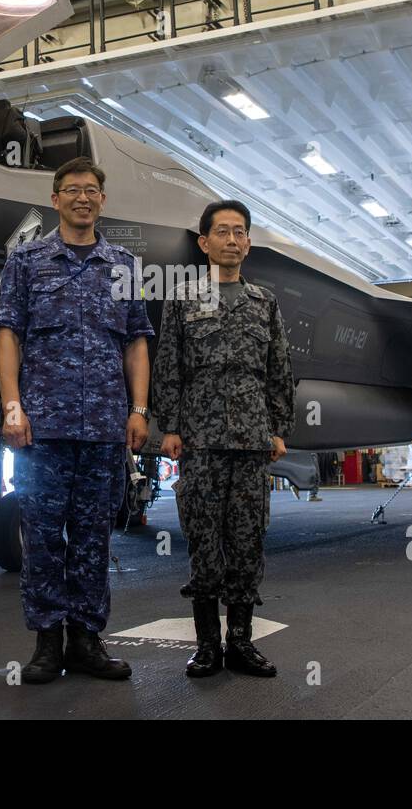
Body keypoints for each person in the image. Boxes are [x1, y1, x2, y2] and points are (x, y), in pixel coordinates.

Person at [0, 157, 153, 684]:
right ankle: (46, 643)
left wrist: (138, 409)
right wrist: (12, 407)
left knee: (93, 536)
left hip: (105, 424)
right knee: (41, 536)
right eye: (72, 190)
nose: (82, 198)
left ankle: (86, 639)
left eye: (91, 190)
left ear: (102, 201)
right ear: (55, 199)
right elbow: (9, 334)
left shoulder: (125, 265)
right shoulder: (27, 262)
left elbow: (136, 343)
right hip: (42, 426)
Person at [152, 199, 295, 678]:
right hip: (200, 441)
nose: (232, 240)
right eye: (223, 232)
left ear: (249, 243)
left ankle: (241, 642)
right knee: (204, 542)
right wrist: (168, 426)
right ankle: (207, 646)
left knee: (248, 541)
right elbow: (168, 366)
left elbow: (279, 371)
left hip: (253, 441)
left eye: (240, 232)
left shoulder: (265, 303)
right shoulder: (184, 299)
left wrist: (278, 428)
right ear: (204, 243)